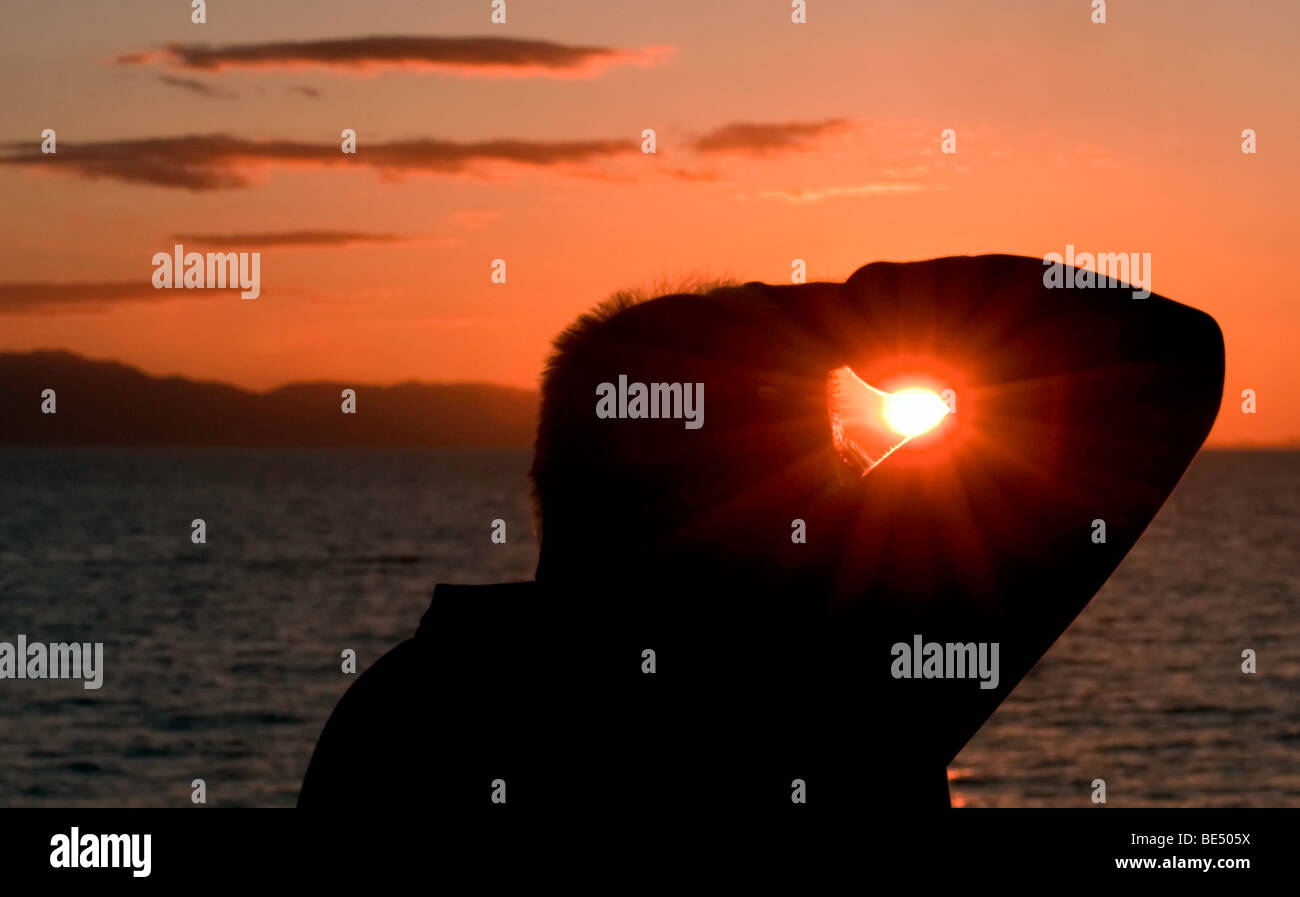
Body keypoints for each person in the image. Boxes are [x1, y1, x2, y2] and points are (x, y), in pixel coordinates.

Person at [299, 254, 1223, 811]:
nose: (855, 474)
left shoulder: (395, 716)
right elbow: (1161, 351)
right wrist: (817, 314)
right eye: (826, 452)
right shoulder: (825, 696)